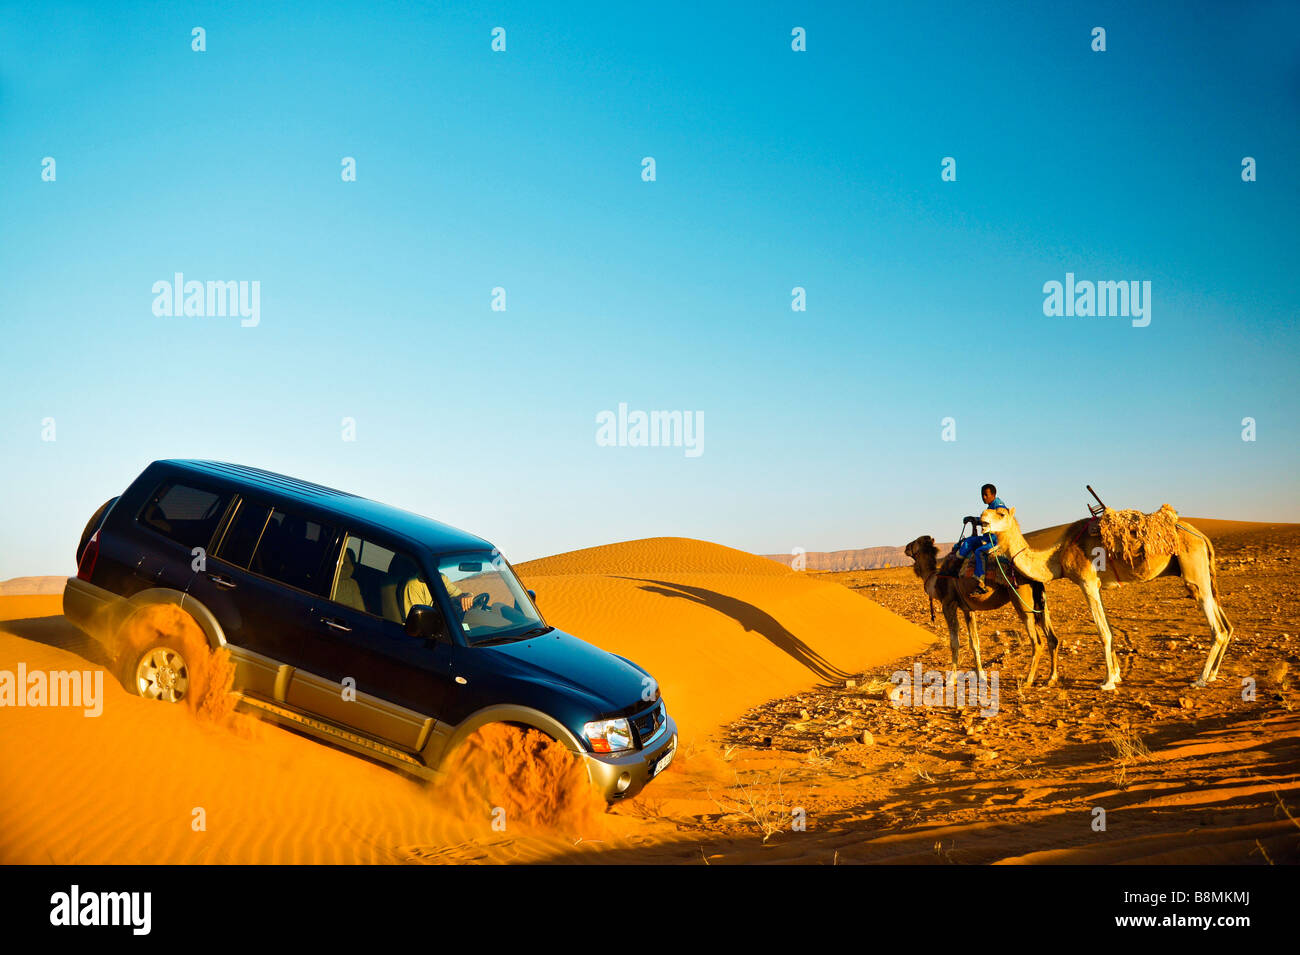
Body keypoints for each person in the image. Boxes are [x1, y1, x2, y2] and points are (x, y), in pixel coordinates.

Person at [957, 483, 1008, 594]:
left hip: (995, 540)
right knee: (968, 542)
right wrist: (974, 519)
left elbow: (1002, 516)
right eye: (982, 495)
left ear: (993, 494)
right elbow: (985, 519)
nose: (984, 497)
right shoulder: (990, 507)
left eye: (986, 495)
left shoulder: (999, 506)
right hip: (986, 538)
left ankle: (981, 582)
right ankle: (956, 565)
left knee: (979, 552)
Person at [403, 573, 474, 620]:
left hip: (442, 620)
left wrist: (468, 595)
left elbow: (459, 595)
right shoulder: (414, 585)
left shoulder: (441, 578)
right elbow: (418, 619)